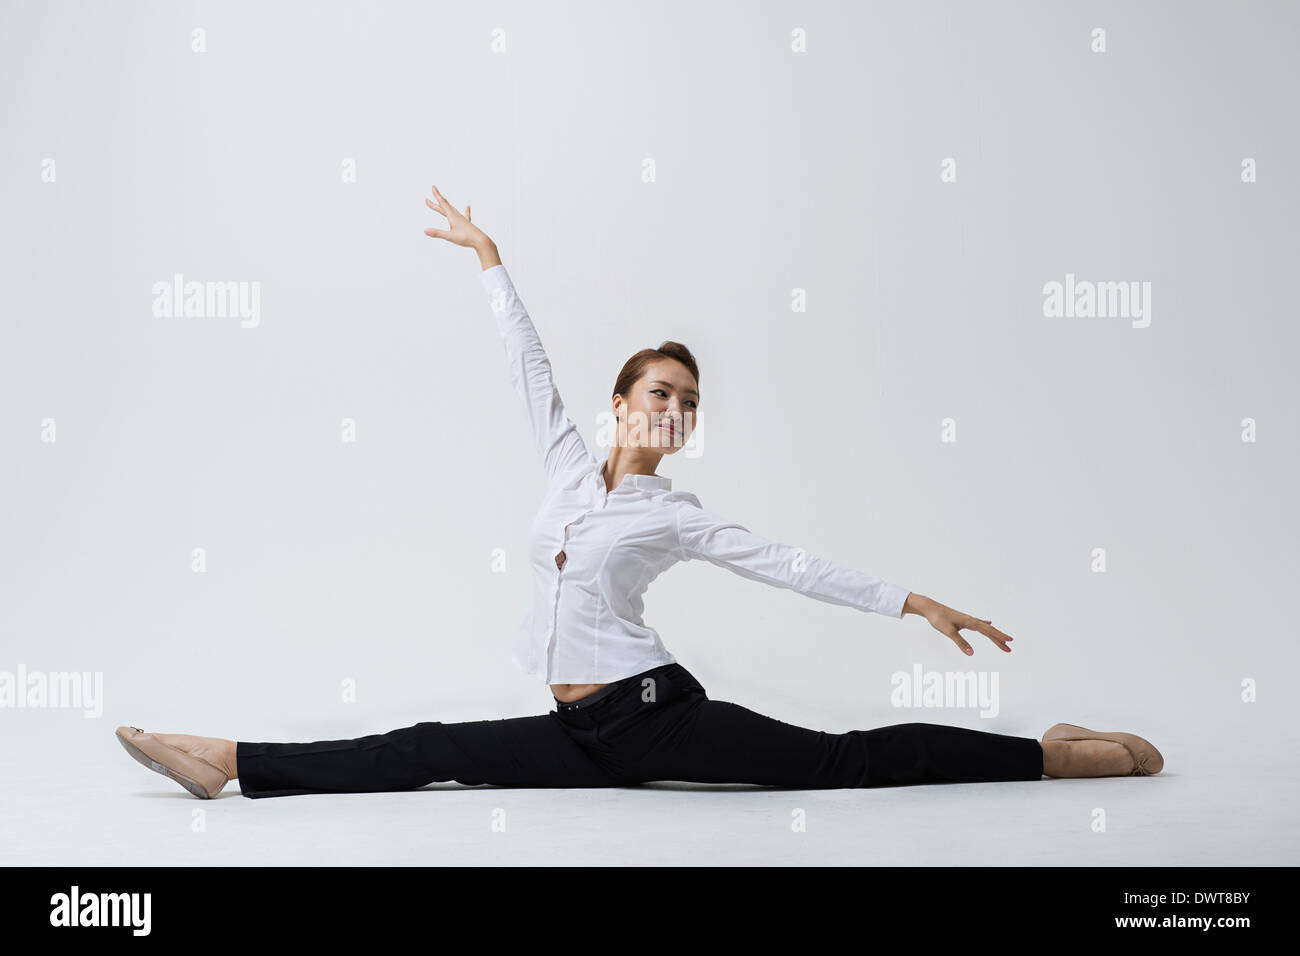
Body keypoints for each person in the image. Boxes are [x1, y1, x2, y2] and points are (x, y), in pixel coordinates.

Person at [114, 186, 1163, 800]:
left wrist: (913, 600)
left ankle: (1050, 756)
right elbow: (528, 364)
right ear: (621, 404)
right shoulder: (570, 467)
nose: (673, 409)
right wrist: (490, 259)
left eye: (688, 402)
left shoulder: (677, 514)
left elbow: (792, 566)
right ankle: (229, 760)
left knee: (838, 762)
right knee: (429, 746)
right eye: (658, 392)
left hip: (653, 716)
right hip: (576, 731)